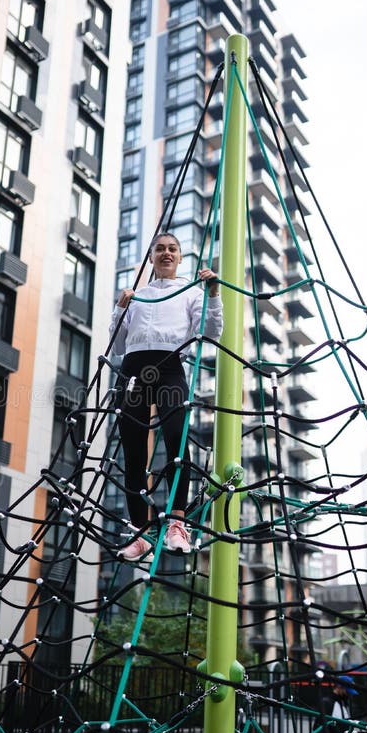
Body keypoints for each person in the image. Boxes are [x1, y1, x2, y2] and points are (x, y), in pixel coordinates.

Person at [109, 232, 223, 560]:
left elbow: (212, 331)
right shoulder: (139, 295)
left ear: (180, 257)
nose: (166, 253)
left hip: (170, 365)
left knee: (176, 439)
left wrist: (213, 291)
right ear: (151, 256)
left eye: (172, 249)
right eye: (160, 249)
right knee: (132, 450)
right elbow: (117, 346)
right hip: (133, 369)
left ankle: (177, 522)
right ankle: (140, 532)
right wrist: (120, 309)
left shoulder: (191, 292)